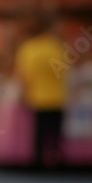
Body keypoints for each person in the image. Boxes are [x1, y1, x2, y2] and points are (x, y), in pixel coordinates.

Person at [14, 16, 68, 168]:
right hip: (58, 96)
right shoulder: (56, 47)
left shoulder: (28, 48)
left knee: (38, 132)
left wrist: (23, 95)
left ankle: (38, 161)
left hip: (37, 96)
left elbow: (23, 75)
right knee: (55, 132)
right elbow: (65, 71)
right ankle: (54, 159)